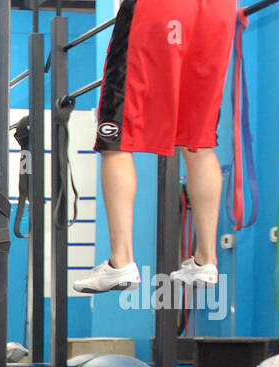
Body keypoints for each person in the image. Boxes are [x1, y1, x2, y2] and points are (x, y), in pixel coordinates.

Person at [73, 0, 236, 294]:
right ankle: (206, 260)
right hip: (218, 13)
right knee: (198, 139)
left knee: (116, 138)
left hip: (160, 10)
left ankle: (121, 261)